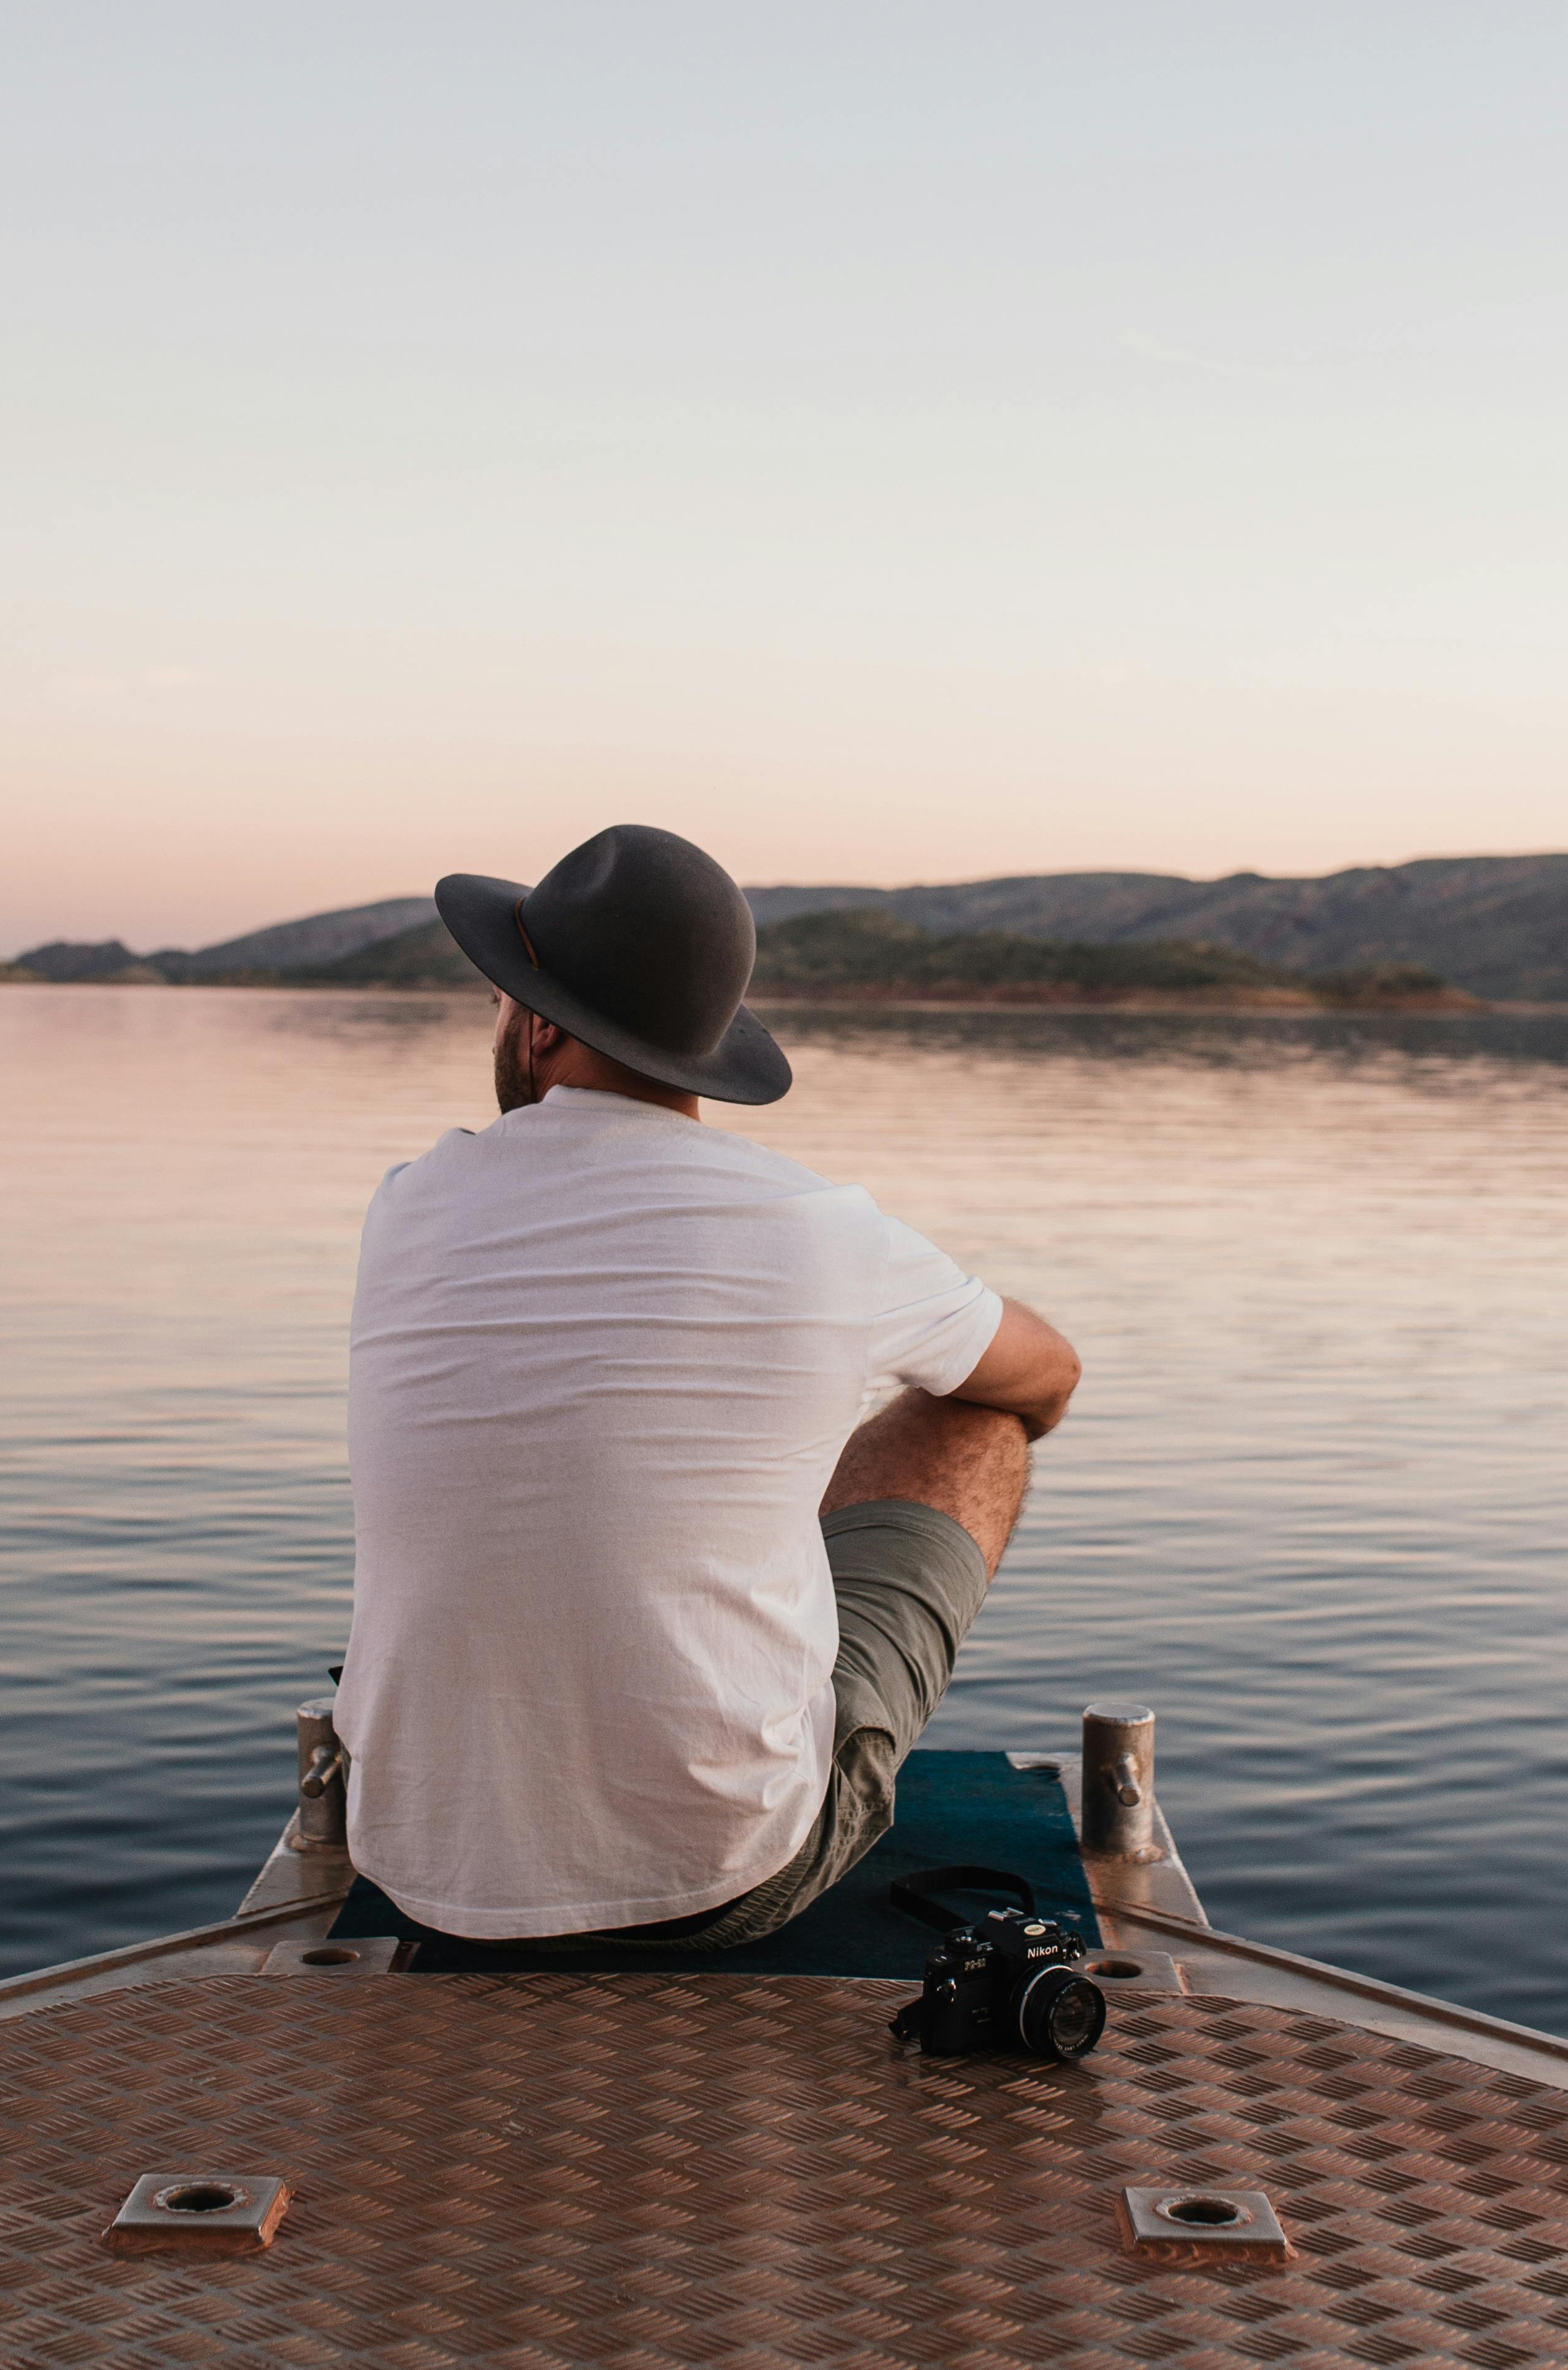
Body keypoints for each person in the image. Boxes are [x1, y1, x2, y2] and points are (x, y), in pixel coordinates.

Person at [335, 824, 1080, 1948]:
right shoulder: (822, 1231)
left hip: (419, 1861)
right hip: (720, 1884)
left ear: (537, 1025)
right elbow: (1049, 1372)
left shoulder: (407, 1207)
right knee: (976, 1418)